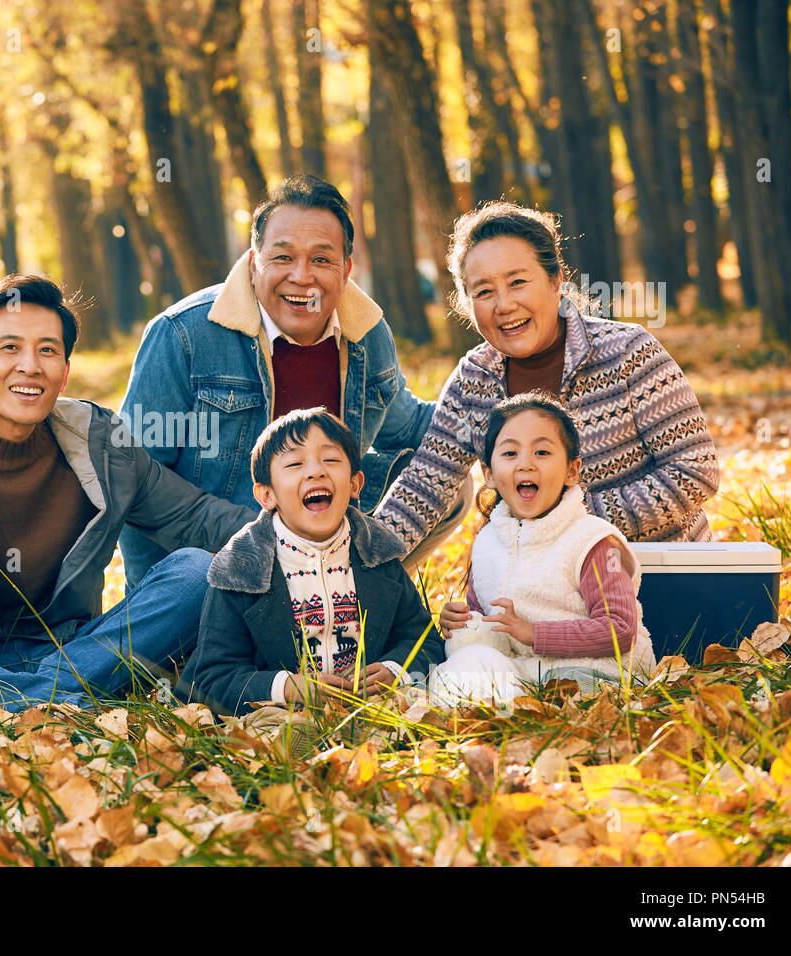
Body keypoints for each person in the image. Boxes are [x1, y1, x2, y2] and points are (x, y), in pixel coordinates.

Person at [0, 275, 255, 718]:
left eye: (47, 350)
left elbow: (196, 517)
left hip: (83, 647)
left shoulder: (101, 445)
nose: (30, 365)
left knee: (199, 572)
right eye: (9, 348)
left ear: (64, 373)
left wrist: (298, 530)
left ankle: (32, 701)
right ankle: (67, 699)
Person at [118, 175, 471, 589]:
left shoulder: (365, 334)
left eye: (321, 260)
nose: (302, 277)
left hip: (323, 537)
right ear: (254, 263)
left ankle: (364, 592)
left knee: (449, 477)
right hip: (213, 557)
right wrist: (148, 595)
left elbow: (409, 426)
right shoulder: (183, 335)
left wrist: (501, 411)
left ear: (346, 270)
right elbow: (134, 477)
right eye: (283, 258)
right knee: (196, 582)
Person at [377, 200, 720, 554]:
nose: (504, 305)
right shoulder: (473, 380)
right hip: (536, 588)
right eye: (483, 291)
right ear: (467, 303)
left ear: (556, 280)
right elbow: (423, 488)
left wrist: (566, 520)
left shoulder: (628, 353)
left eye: (518, 282)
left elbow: (695, 471)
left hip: (656, 573)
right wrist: (355, 558)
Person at [182, 407, 444, 717]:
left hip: (371, 706)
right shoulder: (240, 570)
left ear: (355, 484)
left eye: (331, 460)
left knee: (424, 706)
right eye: (294, 463)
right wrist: (286, 687)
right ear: (267, 495)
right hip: (281, 710)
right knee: (271, 723)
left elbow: (426, 643)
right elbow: (211, 679)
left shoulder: (377, 555)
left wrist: (394, 669)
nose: (316, 471)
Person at [427, 392, 656, 706]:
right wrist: (464, 623)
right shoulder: (487, 544)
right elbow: (488, 624)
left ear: (571, 471)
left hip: (601, 672)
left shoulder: (595, 542)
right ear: (490, 474)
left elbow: (620, 629)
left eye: (542, 452)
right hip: (525, 672)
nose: (525, 464)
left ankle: (519, 710)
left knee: (566, 694)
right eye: (510, 453)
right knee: (465, 668)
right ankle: (491, 711)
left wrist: (534, 633)